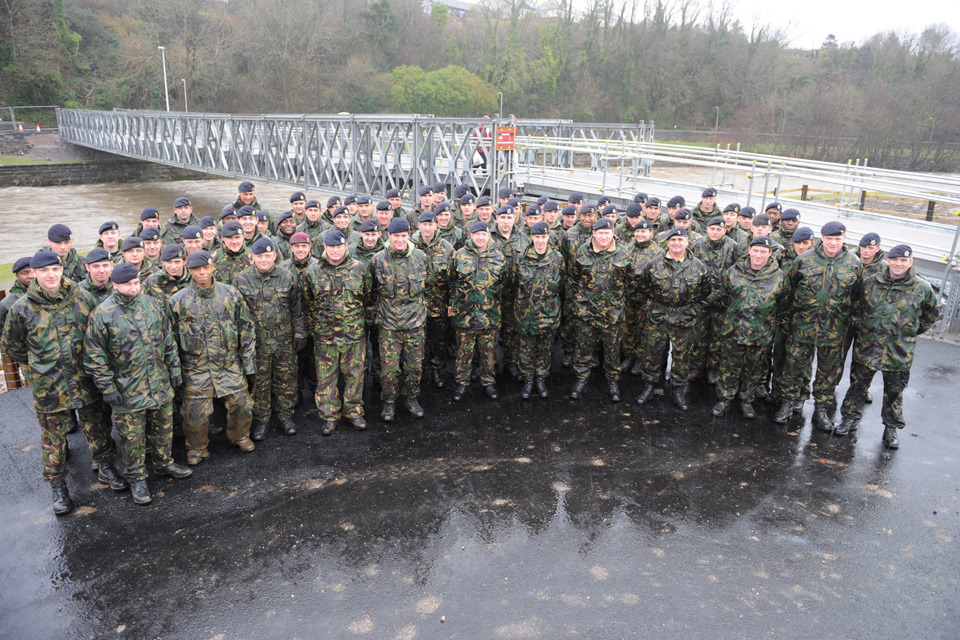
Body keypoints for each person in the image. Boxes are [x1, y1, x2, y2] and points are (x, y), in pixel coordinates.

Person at [1, 250, 126, 516]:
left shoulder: (82, 297)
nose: (50, 275)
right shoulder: (22, 308)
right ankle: (58, 487)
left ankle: (105, 467)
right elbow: (12, 346)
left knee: (98, 426)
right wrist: (40, 366)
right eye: (43, 271)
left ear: (61, 271)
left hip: (85, 378)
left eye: (54, 270)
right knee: (53, 440)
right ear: (34, 274)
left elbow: (98, 333)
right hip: (50, 385)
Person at [83, 263, 192, 506]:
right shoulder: (102, 314)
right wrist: (108, 389)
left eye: (136, 283)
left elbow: (167, 338)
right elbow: (95, 357)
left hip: (159, 383)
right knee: (133, 438)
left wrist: (174, 369)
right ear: (115, 285)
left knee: (163, 428)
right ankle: (137, 478)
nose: (133, 288)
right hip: (128, 389)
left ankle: (163, 463)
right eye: (128, 284)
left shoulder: (151, 304)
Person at [835, 244, 939, 448]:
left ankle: (890, 429)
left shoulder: (922, 288)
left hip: (898, 351)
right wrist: (864, 327)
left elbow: (930, 316)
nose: (899, 264)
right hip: (868, 347)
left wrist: (909, 332)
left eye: (903, 261)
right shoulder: (872, 282)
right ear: (888, 261)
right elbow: (856, 306)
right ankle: (849, 419)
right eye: (895, 260)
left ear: (911, 263)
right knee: (858, 386)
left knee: (894, 392)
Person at [168, 250, 257, 465]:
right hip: (195, 367)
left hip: (227, 363)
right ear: (189, 271)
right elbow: (169, 340)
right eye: (196, 269)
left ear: (212, 268)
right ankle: (197, 448)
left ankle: (240, 436)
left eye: (205, 268)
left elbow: (246, 329)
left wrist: (248, 363)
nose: (202, 273)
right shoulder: (178, 301)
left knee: (242, 404)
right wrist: (175, 371)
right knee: (194, 414)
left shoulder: (230, 294)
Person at [774, 221, 863, 428]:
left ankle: (821, 409)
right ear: (822, 238)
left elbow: (858, 297)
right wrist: (788, 321)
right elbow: (789, 291)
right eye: (830, 239)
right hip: (803, 327)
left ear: (844, 239)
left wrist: (848, 322)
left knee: (828, 372)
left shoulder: (853, 263)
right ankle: (788, 403)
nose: (833, 243)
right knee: (794, 367)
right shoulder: (804, 260)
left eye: (838, 239)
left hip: (834, 330)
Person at [233, 238, 306, 440]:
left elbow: (297, 308)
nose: (264, 260)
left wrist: (300, 334)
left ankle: (286, 416)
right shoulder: (241, 280)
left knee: (287, 380)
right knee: (260, 383)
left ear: (274, 256)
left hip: (284, 338)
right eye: (259, 256)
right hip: (258, 341)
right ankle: (261, 420)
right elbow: (237, 314)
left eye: (267, 256)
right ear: (253, 257)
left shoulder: (287, 276)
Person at [301, 229, 372, 435]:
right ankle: (330, 416)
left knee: (355, 375)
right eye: (331, 246)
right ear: (324, 247)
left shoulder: (360, 269)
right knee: (326, 377)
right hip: (325, 336)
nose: (335, 250)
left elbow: (367, 297)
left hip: (353, 335)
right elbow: (307, 302)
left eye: (339, 246)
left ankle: (354, 412)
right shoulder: (312, 272)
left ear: (346, 246)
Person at [711, 237, 789, 418]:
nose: (759, 255)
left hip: (760, 333)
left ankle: (746, 400)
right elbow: (723, 297)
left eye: (763, 252)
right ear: (749, 250)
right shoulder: (733, 272)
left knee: (753, 368)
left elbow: (783, 304)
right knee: (729, 366)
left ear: (770, 254)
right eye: (756, 250)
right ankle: (725, 398)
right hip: (734, 330)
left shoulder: (779, 277)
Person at [635, 228, 712, 410]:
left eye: (680, 239)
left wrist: (692, 309)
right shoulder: (654, 264)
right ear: (667, 242)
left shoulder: (698, 266)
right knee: (652, 353)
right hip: (658, 317)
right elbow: (644, 287)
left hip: (684, 318)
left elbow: (705, 291)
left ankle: (678, 389)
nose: (676, 243)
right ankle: (649, 385)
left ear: (687, 242)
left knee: (682, 357)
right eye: (673, 240)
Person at [369, 218, 429, 421]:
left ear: (409, 235)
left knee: (414, 367)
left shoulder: (420, 257)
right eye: (396, 236)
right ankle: (388, 402)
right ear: (389, 236)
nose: (400, 240)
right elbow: (371, 293)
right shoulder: (378, 260)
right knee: (389, 370)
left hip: (415, 325)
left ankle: (411, 398)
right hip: (389, 326)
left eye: (404, 236)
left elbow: (428, 289)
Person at [569, 218, 632, 403]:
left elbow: (629, 280)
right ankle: (581, 379)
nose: (604, 236)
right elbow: (574, 277)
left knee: (612, 351)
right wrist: (582, 301)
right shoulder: (582, 252)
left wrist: (616, 301)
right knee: (583, 349)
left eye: (607, 232)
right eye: (600, 233)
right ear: (594, 233)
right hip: (587, 312)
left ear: (613, 233)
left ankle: (613, 381)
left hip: (612, 314)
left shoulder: (623, 253)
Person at [448, 221, 508, 401]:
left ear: (489, 235)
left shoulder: (499, 257)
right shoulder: (459, 256)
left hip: (489, 315)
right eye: (477, 234)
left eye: (484, 234)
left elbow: (505, 283)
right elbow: (451, 281)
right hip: (464, 315)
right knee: (463, 352)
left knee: (488, 353)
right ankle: (461, 384)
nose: (480, 237)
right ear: (471, 236)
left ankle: (488, 382)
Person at [513, 222, 564, 399]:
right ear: (532, 237)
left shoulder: (557, 258)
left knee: (544, 350)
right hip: (526, 313)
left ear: (548, 237)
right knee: (526, 350)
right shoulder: (521, 258)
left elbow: (562, 285)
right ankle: (528, 379)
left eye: (543, 237)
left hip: (548, 314)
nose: (540, 241)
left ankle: (541, 379)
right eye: (537, 237)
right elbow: (514, 284)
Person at [691, 216, 738, 383]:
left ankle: (713, 369)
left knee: (717, 337)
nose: (715, 232)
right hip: (700, 299)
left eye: (719, 229)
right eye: (712, 229)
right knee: (698, 335)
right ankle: (696, 367)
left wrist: (720, 294)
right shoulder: (697, 244)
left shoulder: (732, 247)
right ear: (707, 229)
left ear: (724, 230)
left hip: (722, 301)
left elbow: (736, 273)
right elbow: (692, 269)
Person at [412, 212, 455, 389]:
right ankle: (420, 370)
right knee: (418, 340)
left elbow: (453, 278)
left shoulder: (446, 248)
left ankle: (437, 368)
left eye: (431, 224)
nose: (427, 228)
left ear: (436, 226)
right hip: (415, 305)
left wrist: (451, 302)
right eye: (424, 224)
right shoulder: (410, 246)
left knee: (439, 339)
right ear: (419, 225)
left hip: (439, 303)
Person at [0, 257, 34, 334]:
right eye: (25, 273)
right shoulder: (7, 304)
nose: (31, 276)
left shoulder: (51, 293)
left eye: (34, 271)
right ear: (17, 276)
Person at [213, 221, 253, 286]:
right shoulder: (213, 258)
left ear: (243, 236)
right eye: (229, 238)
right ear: (223, 238)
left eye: (237, 237)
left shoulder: (254, 258)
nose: (234, 241)